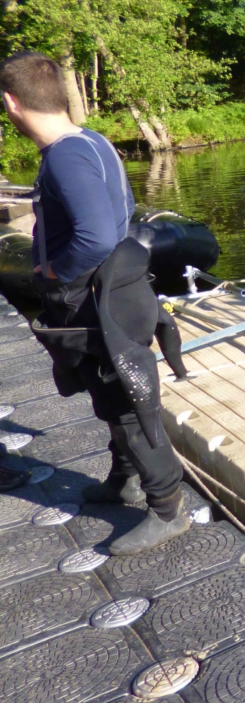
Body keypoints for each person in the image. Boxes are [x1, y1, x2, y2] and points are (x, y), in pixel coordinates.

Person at [0, 51, 190, 554]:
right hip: (117, 292)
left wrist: (53, 270)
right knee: (111, 398)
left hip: (100, 301)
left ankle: (168, 508)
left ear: (10, 102)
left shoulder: (65, 156)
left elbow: (98, 234)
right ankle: (124, 478)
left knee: (130, 406)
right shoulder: (92, 141)